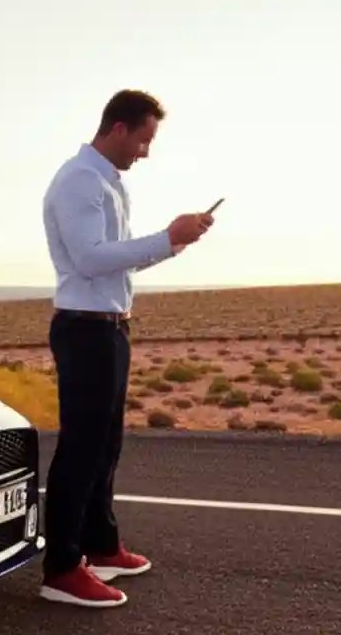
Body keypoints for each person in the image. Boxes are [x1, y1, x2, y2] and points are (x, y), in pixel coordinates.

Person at [38, 89, 213, 607]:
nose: (146, 151)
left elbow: (119, 260)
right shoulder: (78, 181)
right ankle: (63, 568)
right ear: (119, 128)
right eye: (144, 138)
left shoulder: (108, 184)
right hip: (85, 329)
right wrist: (164, 236)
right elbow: (91, 260)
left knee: (107, 444)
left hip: (112, 328)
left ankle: (101, 544)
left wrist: (177, 241)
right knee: (81, 448)